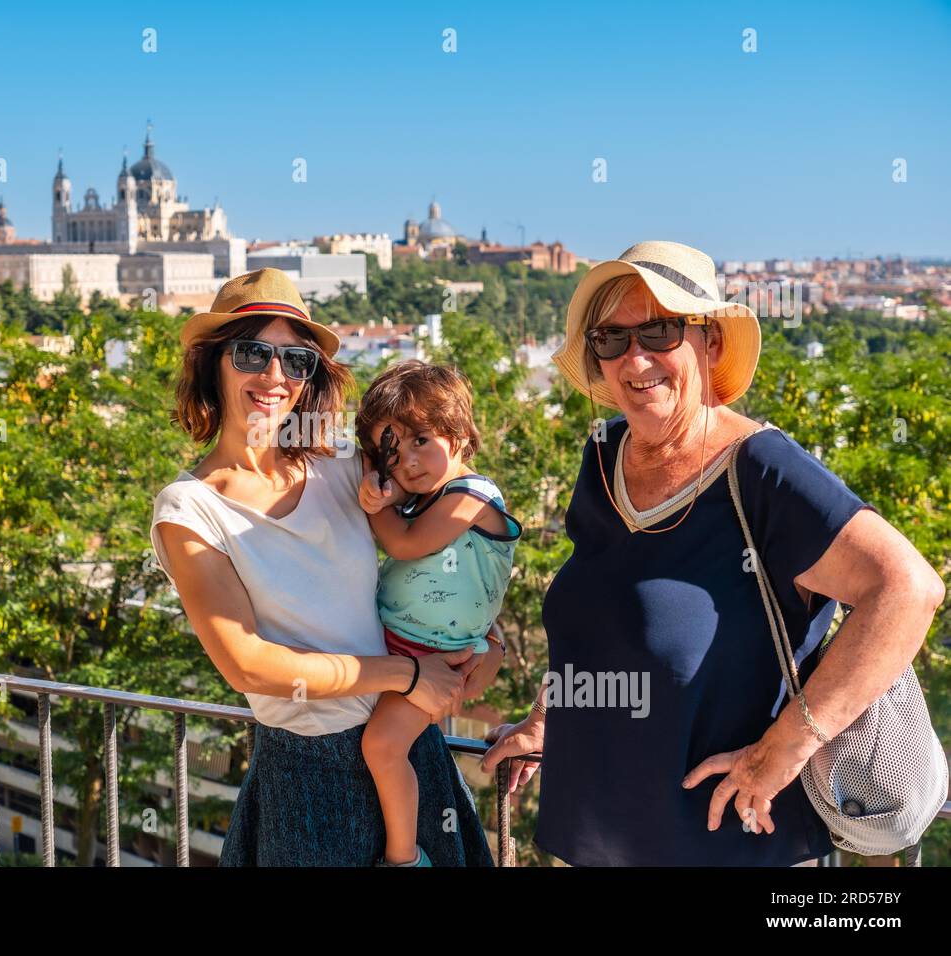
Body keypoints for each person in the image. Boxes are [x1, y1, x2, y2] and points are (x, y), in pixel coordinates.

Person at [481, 240, 945, 865]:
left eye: (659, 330)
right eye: (611, 339)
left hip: (728, 847)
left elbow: (909, 589)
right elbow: (599, 620)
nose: (634, 357)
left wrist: (782, 750)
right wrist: (547, 717)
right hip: (589, 838)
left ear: (711, 343)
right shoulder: (604, 453)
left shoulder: (761, 470)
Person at [148, 268, 501, 866]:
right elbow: (249, 665)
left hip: (409, 747)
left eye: (297, 360)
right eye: (253, 352)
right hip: (311, 772)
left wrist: (484, 643)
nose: (275, 376)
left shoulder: (342, 460)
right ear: (213, 363)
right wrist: (405, 676)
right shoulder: (190, 509)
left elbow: (449, 551)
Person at [354, 361, 521, 867]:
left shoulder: (472, 496)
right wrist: (385, 489)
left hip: (435, 658)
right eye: (392, 452)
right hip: (402, 645)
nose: (408, 461)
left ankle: (405, 858)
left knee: (382, 747)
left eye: (421, 440)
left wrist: (375, 506)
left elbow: (406, 545)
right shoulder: (428, 495)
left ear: (458, 433)